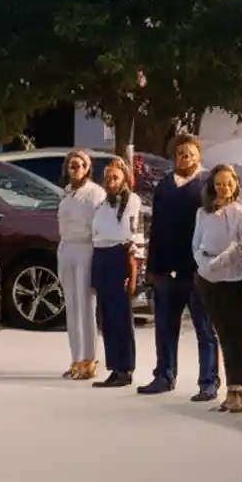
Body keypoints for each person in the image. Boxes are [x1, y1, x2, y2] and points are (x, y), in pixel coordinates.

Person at [141, 134, 221, 401]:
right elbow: (156, 229)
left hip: (196, 270)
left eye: (190, 153)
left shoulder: (207, 184)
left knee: (204, 329)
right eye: (180, 154)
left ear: (198, 155)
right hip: (166, 269)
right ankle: (164, 375)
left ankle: (208, 382)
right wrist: (152, 268)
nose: (185, 158)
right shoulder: (164, 186)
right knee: (164, 327)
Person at [191, 164, 242, 412]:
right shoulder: (203, 213)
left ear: (235, 185)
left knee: (234, 336)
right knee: (219, 333)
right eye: (218, 183)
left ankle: (238, 389)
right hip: (207, 279)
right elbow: (196, 244)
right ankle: (227, 389)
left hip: (231, 279)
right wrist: (203, 266)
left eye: (227, 183)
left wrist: (218, 263)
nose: (223, 188)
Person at [90, 156, 144, 389]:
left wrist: (133, 273)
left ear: (124, 178)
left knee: (121, 316)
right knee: (106, 317)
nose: (111, 182)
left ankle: (125, 367)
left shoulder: (131, 201)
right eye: (107, 178)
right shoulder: (102, 204)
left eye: (115, 177)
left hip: (120, 256)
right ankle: (114, 367)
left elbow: (134, 237)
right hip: (101, 257)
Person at [57, 149, 107, 381]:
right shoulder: (67, 193)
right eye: (72, 165)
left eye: (80, 165)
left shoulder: (95, 193)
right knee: (72, 306)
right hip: (67, 248)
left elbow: (99, 225)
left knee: (86, 306)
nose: (75, 169)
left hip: (86, 248)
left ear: (87, 168)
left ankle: (89, 359)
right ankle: (75, 358)